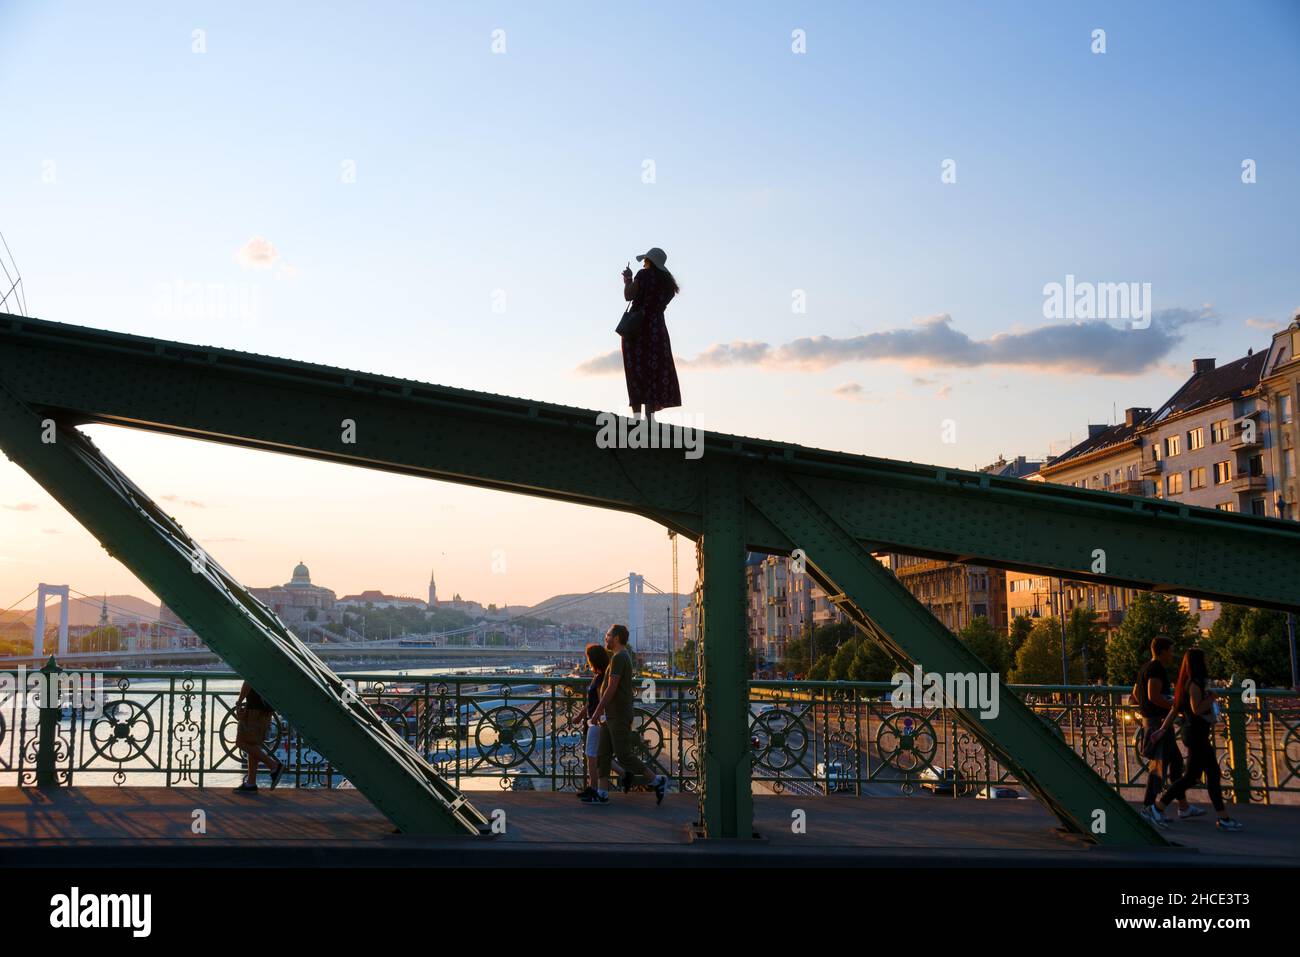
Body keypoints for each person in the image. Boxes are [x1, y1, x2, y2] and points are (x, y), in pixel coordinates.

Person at [1148, 649, 1242, 831]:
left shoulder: (1185, 683)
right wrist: (1213, 697)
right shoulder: (1194, 684)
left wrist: (1161, 730)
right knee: (1210, 774)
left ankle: (1158, 808)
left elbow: (1174, 710)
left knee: (1193, 777)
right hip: (1196, 735)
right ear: (1200, 663)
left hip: (1193, 734)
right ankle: (1223, 819)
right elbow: (1197, 709)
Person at [589, 623, 667, 805]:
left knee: (623, 755)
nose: (605, 638)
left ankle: (657, 780)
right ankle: (602, 793)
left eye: (608, 635)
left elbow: (612, 687)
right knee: (603, 755)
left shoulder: (619, 658)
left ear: (616, 638)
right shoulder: (619, 656)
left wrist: (597, 710)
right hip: (611, 714)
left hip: (618, 714)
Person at [1133, 636, 1199, 825]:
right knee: (1159, 767)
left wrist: (1146, 707)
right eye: (1170, 650)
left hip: (1151, 720)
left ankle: (1183, 806)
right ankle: (1149, 808)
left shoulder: (1145, 667)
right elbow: (1153, 696)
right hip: (1158, 722)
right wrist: (1172, 705)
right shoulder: (1156, 669)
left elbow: (1136, 694)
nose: (1173, 654)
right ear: (1162, 651)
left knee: (1176, 762)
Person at [619, 248, 682, 420]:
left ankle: (637, 416)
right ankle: (650, 417)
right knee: (653, 371)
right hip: (657, 330)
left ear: (648, 261)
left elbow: (628, 295)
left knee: (635, 370)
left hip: (637, 328)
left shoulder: (643, 275)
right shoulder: (668, 285)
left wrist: (627, 279)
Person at [234, 680, 284, 793]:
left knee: (240, 742)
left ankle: (273, 765)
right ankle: (251, 783)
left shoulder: (254, 665)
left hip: (253, 709)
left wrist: (239, 702)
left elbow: (249, 679)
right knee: (253, 744)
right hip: (265, 708)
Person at [578, 642, 612, 805]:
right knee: (598, 756)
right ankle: (595, 788)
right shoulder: (598, 676)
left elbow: (600, 701)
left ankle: (593, 789)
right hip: (594, 720)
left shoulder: (601, 679)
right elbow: (591, 702)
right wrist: (580, 716)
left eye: (588, 658)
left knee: (591, 756)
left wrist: (595, 717)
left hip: (596, 722)